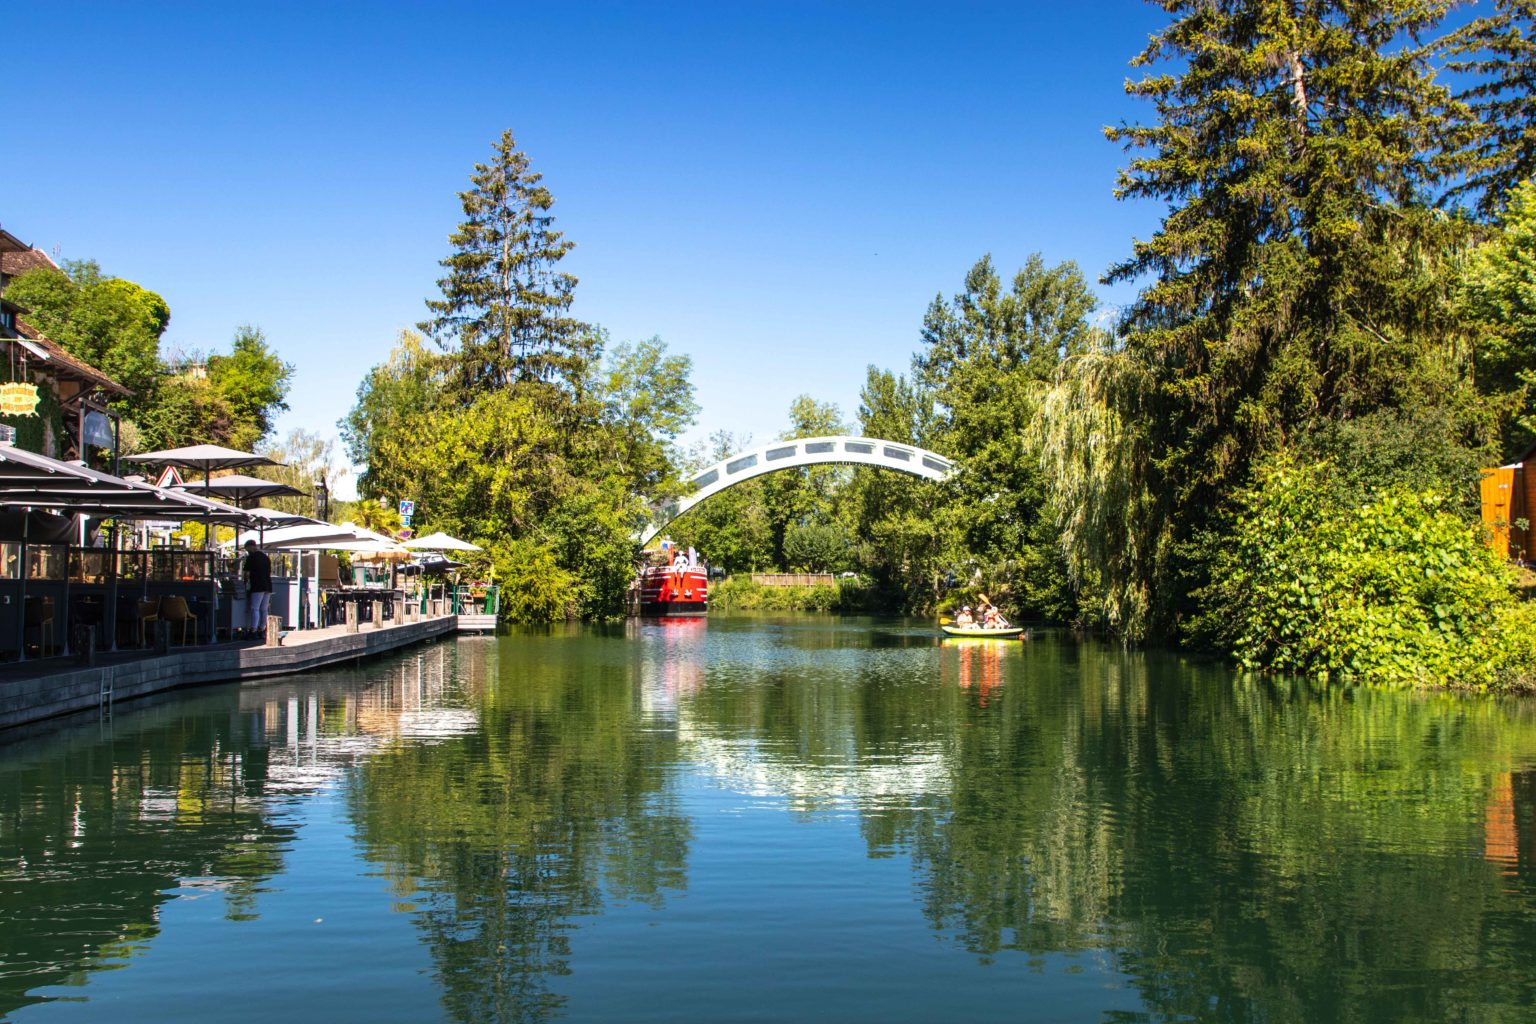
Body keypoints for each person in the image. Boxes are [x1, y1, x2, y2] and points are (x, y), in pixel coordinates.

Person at [242, 539, 273, 638]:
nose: (247, 551)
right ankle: (262, 629)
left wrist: (245, 581)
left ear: (251, 547)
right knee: (264, 609)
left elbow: (246, 573)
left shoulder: (251, 557)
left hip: (257, 585)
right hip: (268, 585)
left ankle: (253, 630)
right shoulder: (265, 557)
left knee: (255, 608)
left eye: (247, 549)